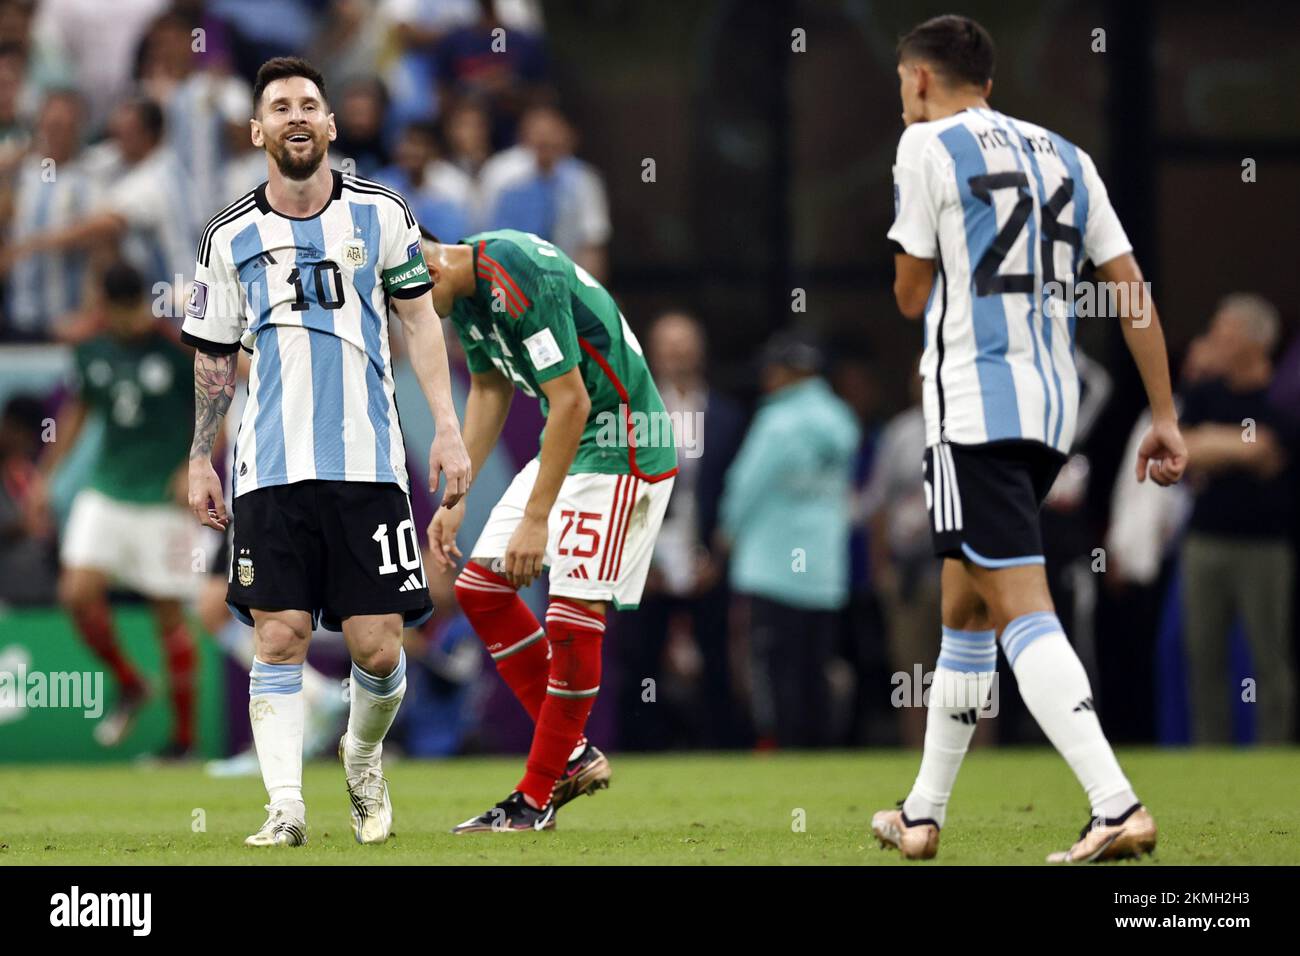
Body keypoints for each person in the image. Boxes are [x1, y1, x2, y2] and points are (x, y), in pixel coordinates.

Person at [872, 15, 1187, 863]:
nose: (903, 96)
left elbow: (909, 295)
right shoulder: (1069, 157)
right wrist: (1163, 415)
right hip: (1049, 417)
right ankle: (922, 813)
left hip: (972, 409)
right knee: (966, 607)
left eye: (902, 82)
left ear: (922, 78)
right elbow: (1129, 290)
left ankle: (1114, 803)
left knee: (1018, 606)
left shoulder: (924, 145)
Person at [181, 57, 471, 848]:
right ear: (258, 131)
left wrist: (447, 426)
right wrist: (202, 457)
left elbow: (420, 321)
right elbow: (213, 355)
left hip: (367, 464)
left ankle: (362, 755)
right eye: (280, 107)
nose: (297, 116)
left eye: (309, 103)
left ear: (331, 125)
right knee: (278, 635)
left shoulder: (381, 213)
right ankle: (285, 806)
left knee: (378, 646)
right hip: (269, 470)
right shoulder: (227, 235)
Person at [420, 226, 677, 832]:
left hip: (621, 444)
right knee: (481, 590)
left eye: (405, 303)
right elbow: (490, 388)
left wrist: (536, 520)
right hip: (575, 443)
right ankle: (573, 753)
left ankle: (534, 799)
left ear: (427, 269)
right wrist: (458, 491)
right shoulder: (466, 296)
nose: (409, 319)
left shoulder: (515, 270)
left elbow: (572, 401)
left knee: (570, 616)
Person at [33, 262, 199, 756]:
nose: (128, 320)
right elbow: (78, 412)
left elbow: (215, 399)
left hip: (162, 499)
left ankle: (183, 742)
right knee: (76, 592)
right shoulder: (91, 350)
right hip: (107, 489)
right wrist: (45, 476)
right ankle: (130, 682)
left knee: (168, 615)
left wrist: (194, 465)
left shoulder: (176, 347)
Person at [717, 331, 860, 749]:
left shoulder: (777, 421)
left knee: (774, 667)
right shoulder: (841, 419)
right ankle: (819, 747)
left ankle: (780, 744)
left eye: (773, 369)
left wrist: (727, 530)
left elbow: (747, 483)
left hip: (772, 568)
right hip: (823, 569)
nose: (767, 377)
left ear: (791, 373)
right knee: (816, 666)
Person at [617, 310, 746, 750]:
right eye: (668, 346)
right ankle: (642, 749)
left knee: (716, 657)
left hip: (706, 553)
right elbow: (621, 487)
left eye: (685, 345)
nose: (677, 354)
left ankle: (720, 750)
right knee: (641, 658)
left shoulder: (727, 415)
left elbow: (738, 490)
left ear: (700, 351)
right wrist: (641, 555)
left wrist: (720, 554)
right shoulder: (629, 412)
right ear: (653, 353)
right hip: (648, 554)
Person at [1179, 294, 1296, 744]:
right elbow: (1182, 450)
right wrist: (1232, 447)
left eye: (1224, 332)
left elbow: (1269, 451)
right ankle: (1210, 751)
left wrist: (1211, 442)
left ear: (1254, 341)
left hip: (1264, 546)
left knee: (1269, 655)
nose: (1214, 340)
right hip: (1205, 542)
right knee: (1202, 653)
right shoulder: (1204, 394)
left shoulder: (1280, 397)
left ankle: (1274, 749)